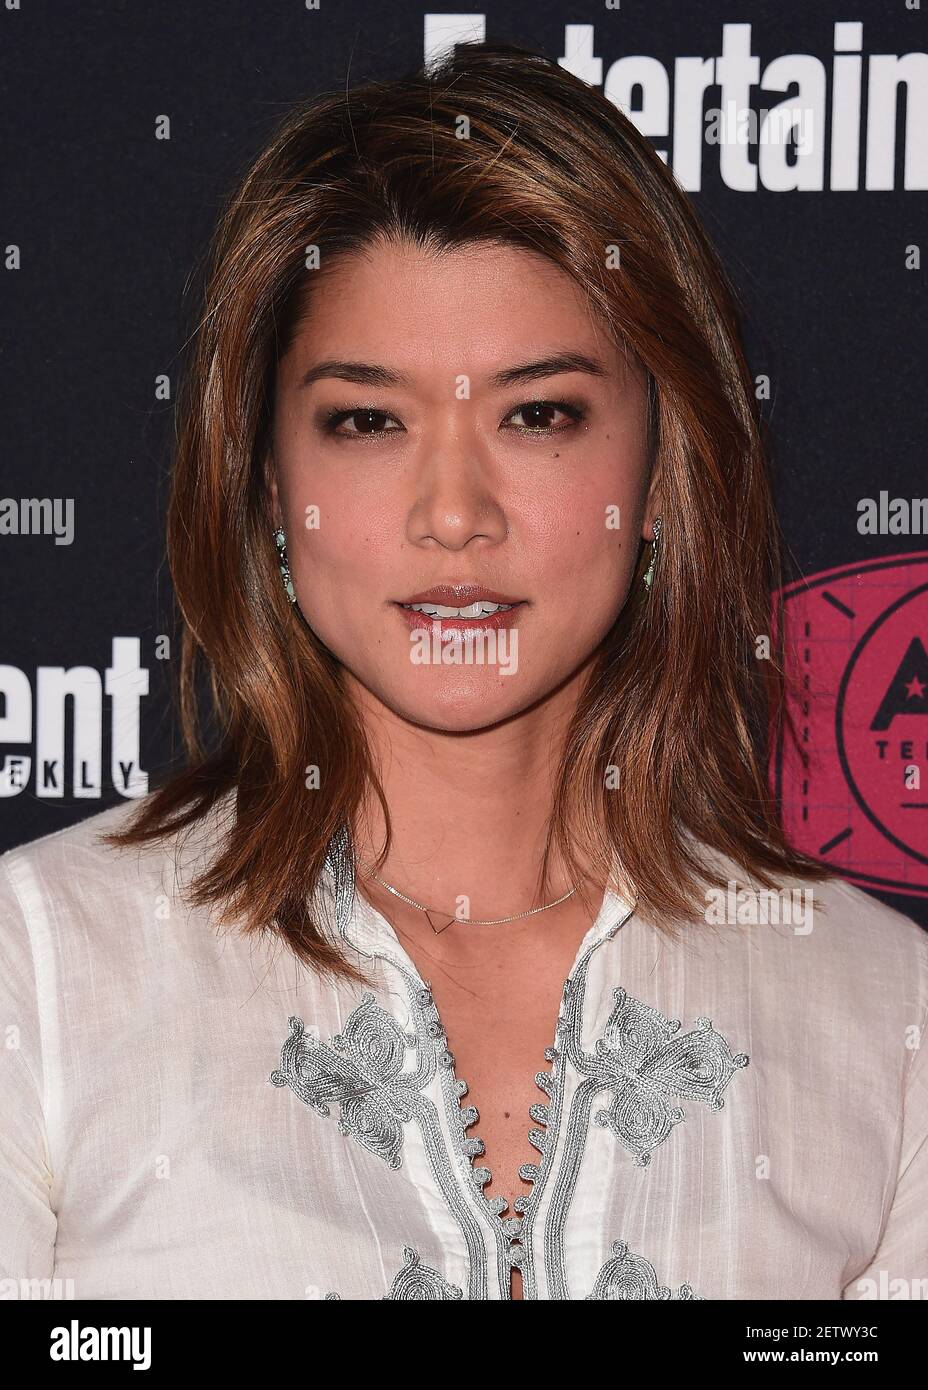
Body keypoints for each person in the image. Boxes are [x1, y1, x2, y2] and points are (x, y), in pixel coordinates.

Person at [1, 41, 925, 1303]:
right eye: (366, 421)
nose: (453, 515)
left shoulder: (885, 1010)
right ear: (271, 483)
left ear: (659, 476)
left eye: (536, 414)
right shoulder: (44, 967)